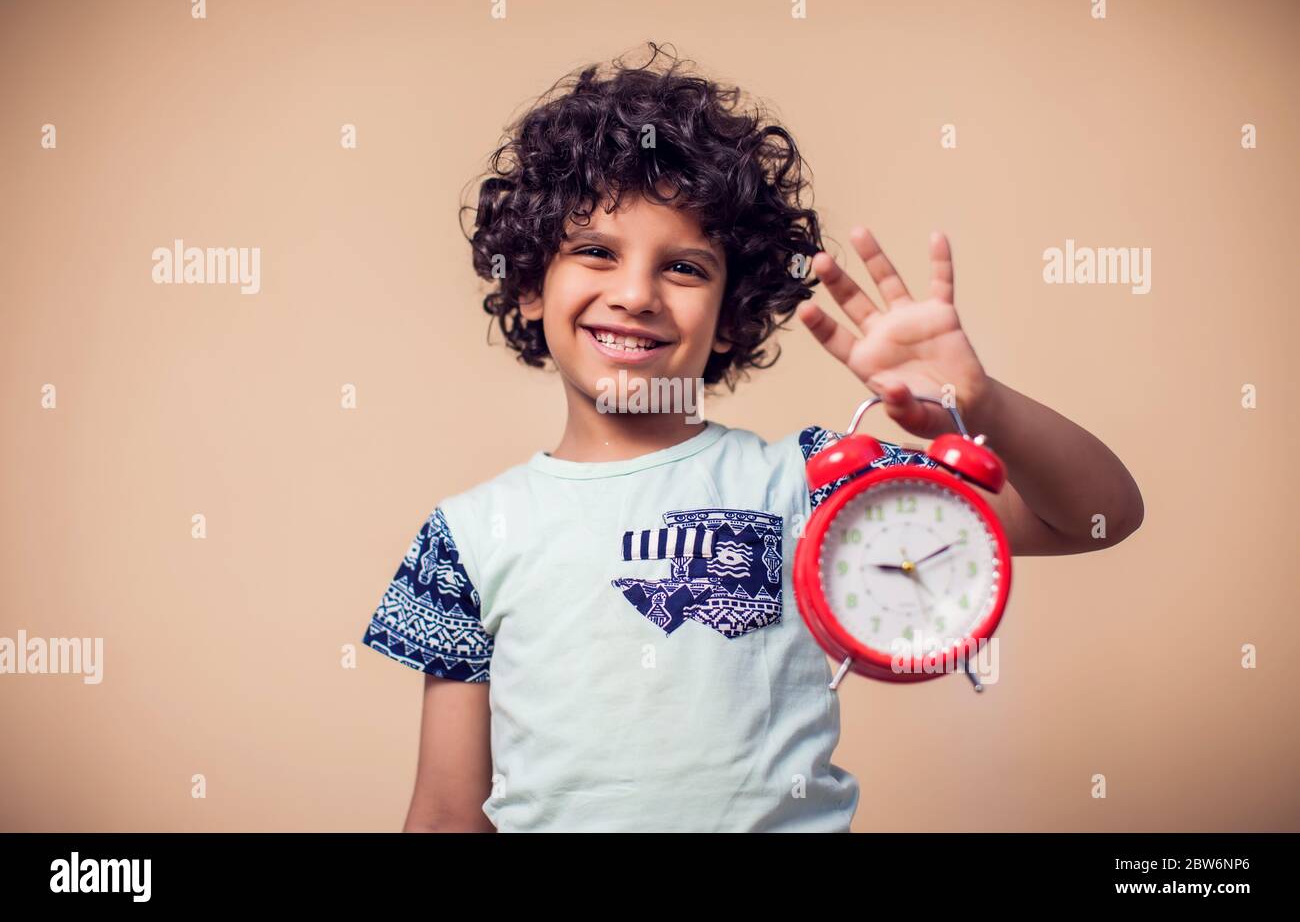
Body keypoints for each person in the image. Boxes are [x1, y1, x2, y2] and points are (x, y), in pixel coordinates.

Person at [360, 42, 1144, 832]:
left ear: (732, 318)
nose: (634, 294)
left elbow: (1093, 515)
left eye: (685, 268)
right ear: (530, 286)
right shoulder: (465, 534)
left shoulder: (810, 485)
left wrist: (979, 407)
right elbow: (447, 814)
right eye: (596, 252)